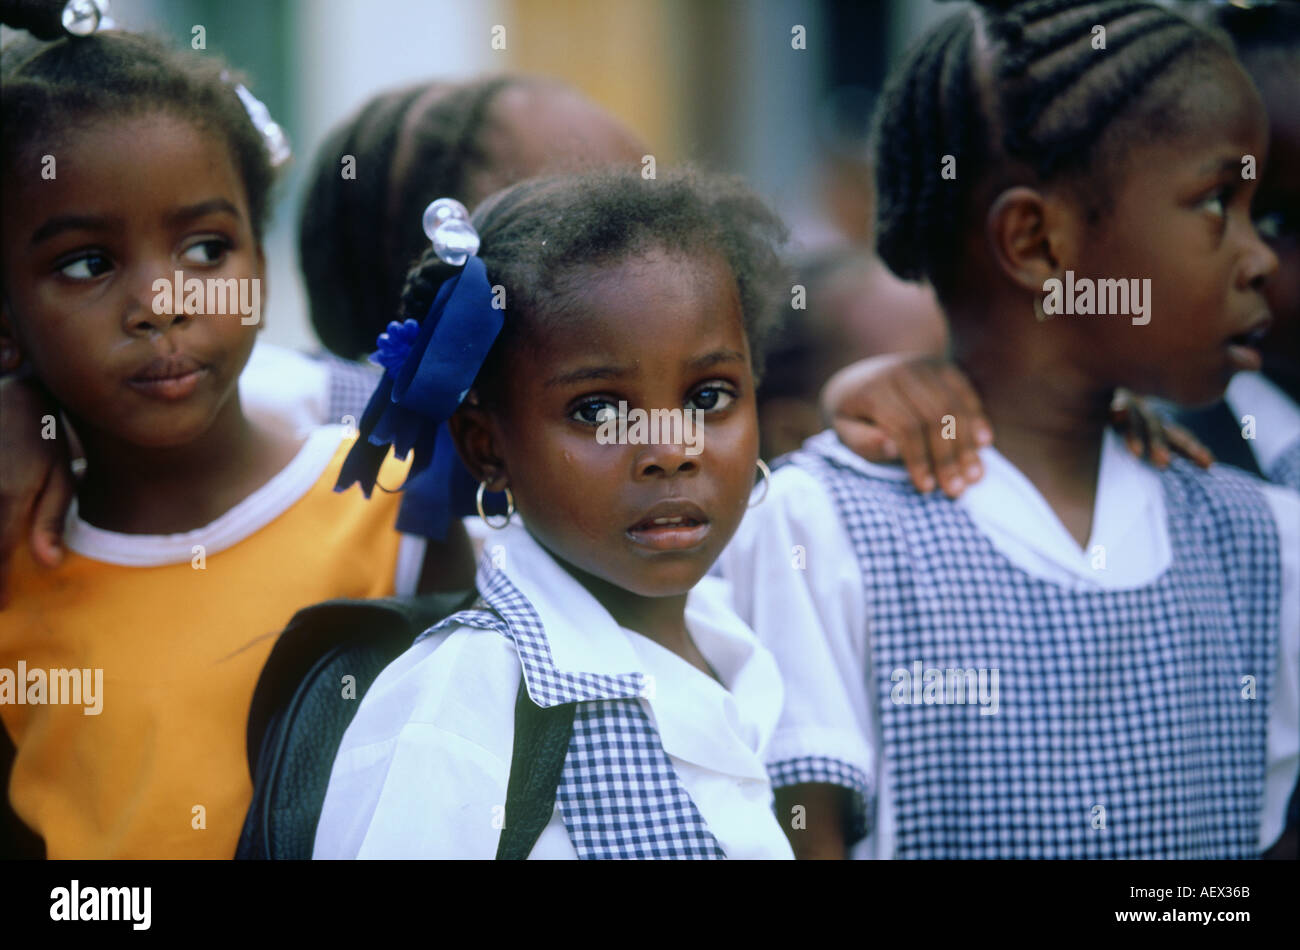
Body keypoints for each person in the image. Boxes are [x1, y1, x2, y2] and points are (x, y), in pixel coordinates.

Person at [721, 0, 1298, 859]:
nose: (1259, 258)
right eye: (1219, 203)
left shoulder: (1266, 541)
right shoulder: (821, 530)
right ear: (1034, 241)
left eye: (1264, 216)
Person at [0, 28, 426, 858]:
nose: (161, 303)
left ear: (261, 269)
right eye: (87, 264)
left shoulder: (394, 504)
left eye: (206, 250)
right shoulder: (16, 563)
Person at [314, 168, 797, 859]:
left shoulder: (741, 642)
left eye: (709, 396)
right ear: (488, 448)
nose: (671, 450)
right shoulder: (470, 695)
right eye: (598, 410)